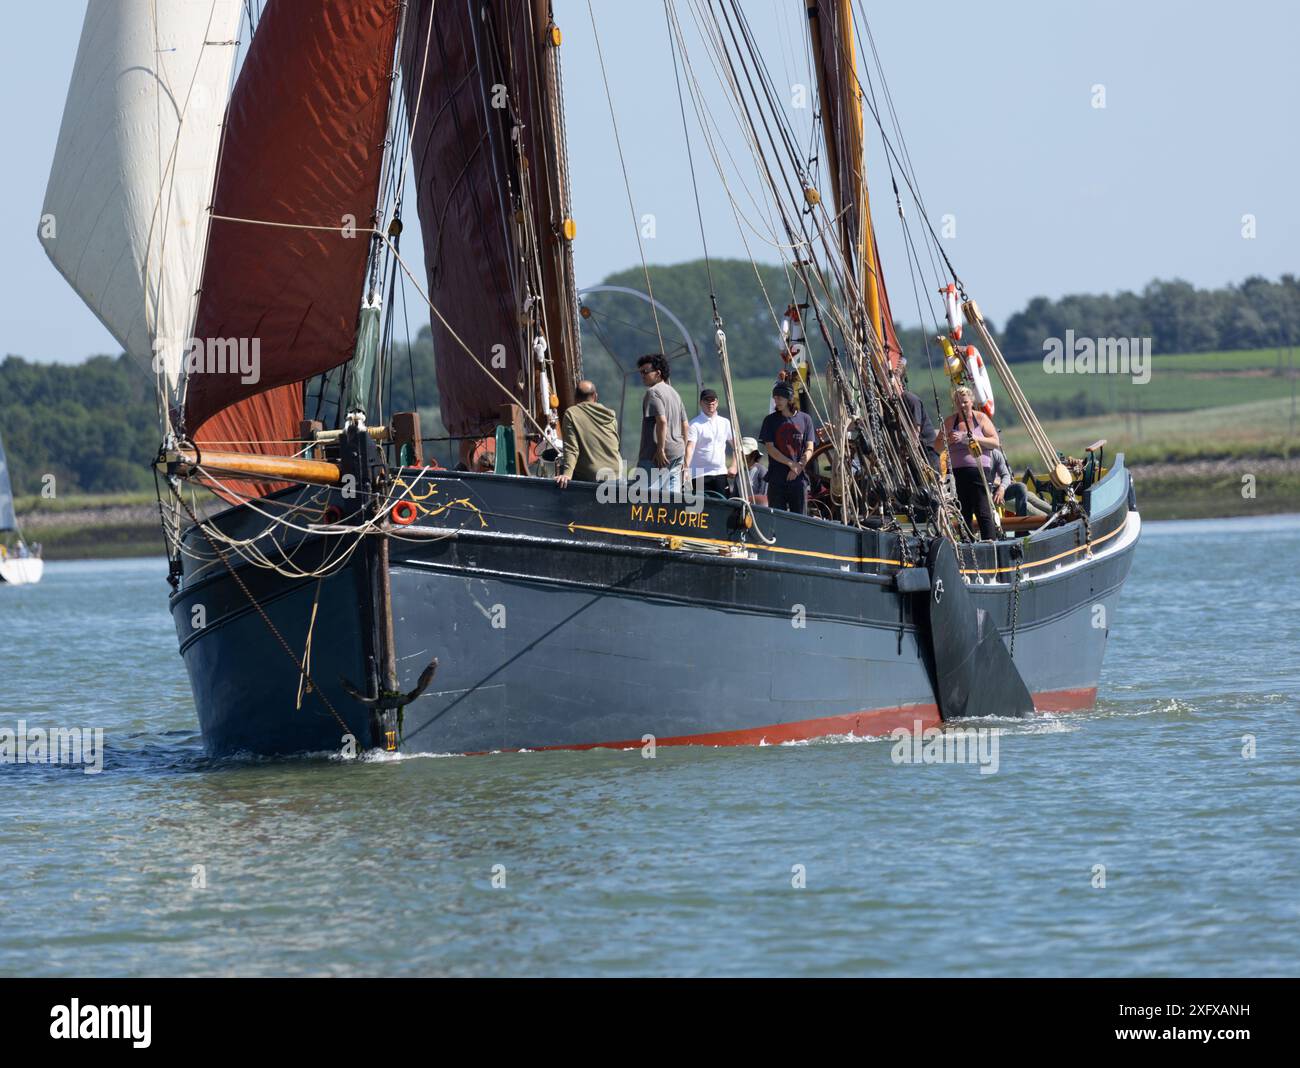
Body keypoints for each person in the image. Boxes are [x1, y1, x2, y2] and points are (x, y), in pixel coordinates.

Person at [942, 386, 1000, 540]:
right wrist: (949, 439)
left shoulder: (980, 418)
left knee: (982, 510)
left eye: (965, 402)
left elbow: (995, 442)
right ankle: (967, 544)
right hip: (958, 473)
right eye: (958, 402)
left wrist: (973, 439)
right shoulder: (950, 422)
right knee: (963, 511)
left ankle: (990, 542)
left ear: (971, 401)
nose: (962, 406)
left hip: (978, 471)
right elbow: (937, 446)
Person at [758, 382, 816, 514]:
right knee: (777, 519)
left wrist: (799, 466)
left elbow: (810, 447)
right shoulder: (770, 421)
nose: (776, 401)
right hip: (776, 478)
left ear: (789, 398)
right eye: (775, 398)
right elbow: (771, 449)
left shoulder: (805, 419)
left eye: (779, 398)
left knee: (800, 519)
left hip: (798, 479)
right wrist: (792, 464)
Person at [635, 353, 690, 493]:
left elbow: (662, 421)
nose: (642, 375)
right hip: (677, 454)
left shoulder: (653, 392)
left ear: (658, 373)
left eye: (645, 372)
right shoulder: (675, 393)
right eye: (640, 372)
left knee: (645, 500)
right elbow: (685, 425)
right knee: (671, 501)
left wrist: (660, 449)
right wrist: (683, 452)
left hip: (656, 456)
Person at [556, 379, 622, 488]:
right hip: (616, 474)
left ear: (575, 397)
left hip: (594, 477)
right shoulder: (610, 416)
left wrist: (567, 475)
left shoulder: (571, 413)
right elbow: (616, 444)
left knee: (565, 467)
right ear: (595, 396)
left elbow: (572, 448)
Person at [890, 360, 940, 472]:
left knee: (930, 483)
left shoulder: (910, 399)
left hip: (926, 451)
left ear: (899, 383)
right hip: (913, 452)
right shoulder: (893, 404)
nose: (890, 386)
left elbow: (915, 430)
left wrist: (909, 450)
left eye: (892, 382)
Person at [684, 388, 735, 496]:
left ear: (717, 403)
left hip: (720, 472)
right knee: (698, 508)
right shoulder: (694, 424)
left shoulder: (725, 423)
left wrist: (734, 466)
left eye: (713, 400)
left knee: (723, 505)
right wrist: (686, 469)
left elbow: (737, 446)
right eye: (707, 400)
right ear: (701, 403)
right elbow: (690, 448)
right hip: (698, 474)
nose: (710, 403)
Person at [989, 447, 1050, 517]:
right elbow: (983, 480)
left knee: (1031, 497)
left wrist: (1004, 484)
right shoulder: (976, 457)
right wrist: (1001, 484)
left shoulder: (995, 453)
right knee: (1028, 508)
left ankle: (1056, 512)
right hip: (990, 494)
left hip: (1002, 488)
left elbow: (1006, 475)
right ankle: (1048, 520)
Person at [742, 436, 768, 506]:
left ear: (753, 454)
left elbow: (763, 496)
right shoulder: (740, 473)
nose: (742, 455)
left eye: (745, 454)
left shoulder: (762, 471)